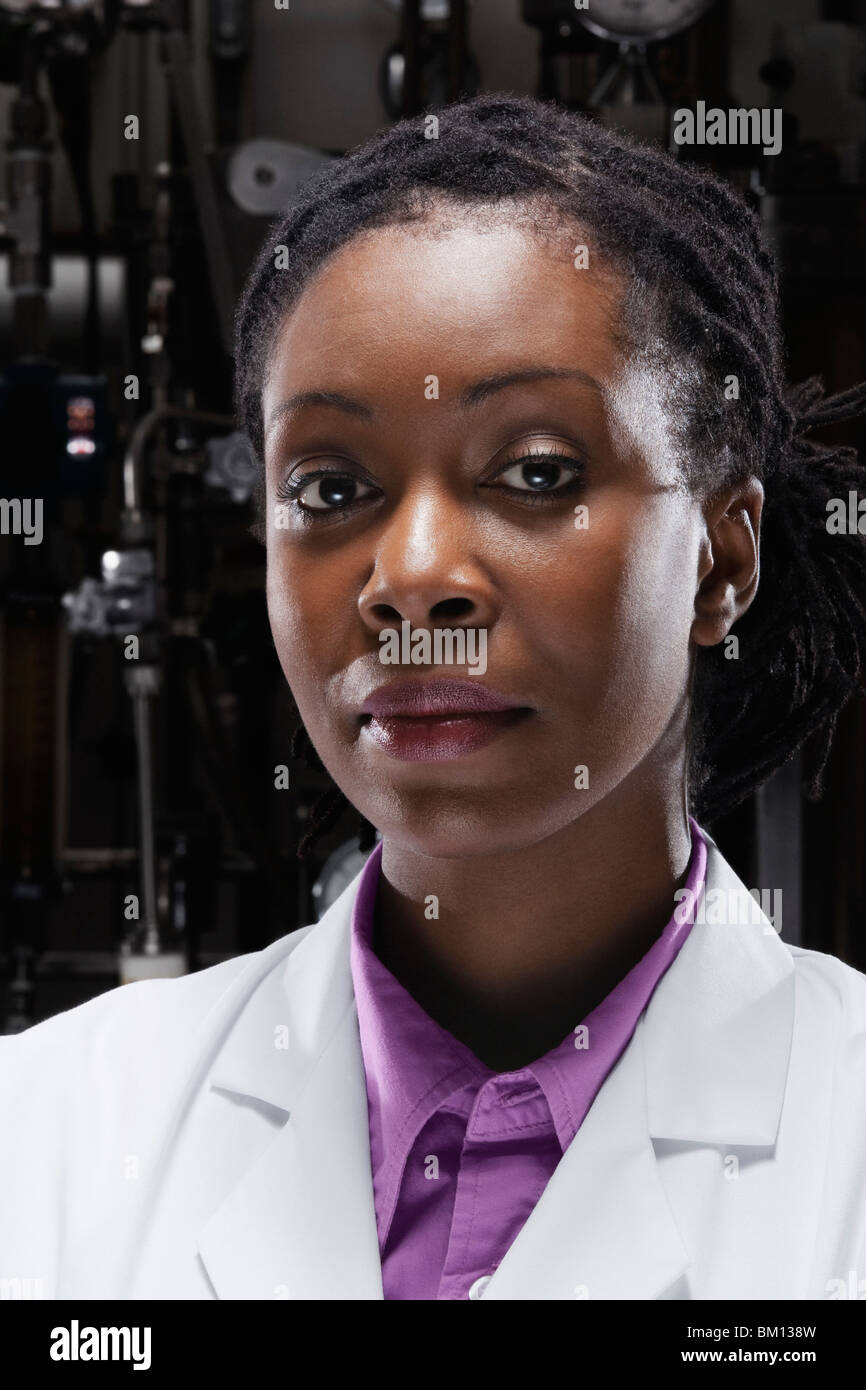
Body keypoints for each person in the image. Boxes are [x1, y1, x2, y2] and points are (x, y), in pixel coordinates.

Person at [3, 92, 866, 1302]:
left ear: (721, 559)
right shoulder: (45, 1135)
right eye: (330, 484)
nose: (409, 579)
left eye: (534, 471)